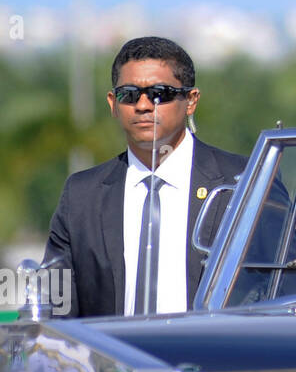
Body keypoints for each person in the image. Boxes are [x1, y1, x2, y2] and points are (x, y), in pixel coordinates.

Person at [44, 37, 250, 318]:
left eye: (159, 93)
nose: (142, 105)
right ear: (113, 103)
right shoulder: (82, 195)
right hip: (114, 359)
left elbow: (287, 287)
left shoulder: (243, 182)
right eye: (129, 94)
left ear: (190, 101)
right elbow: (55, 306)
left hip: (213, 357)